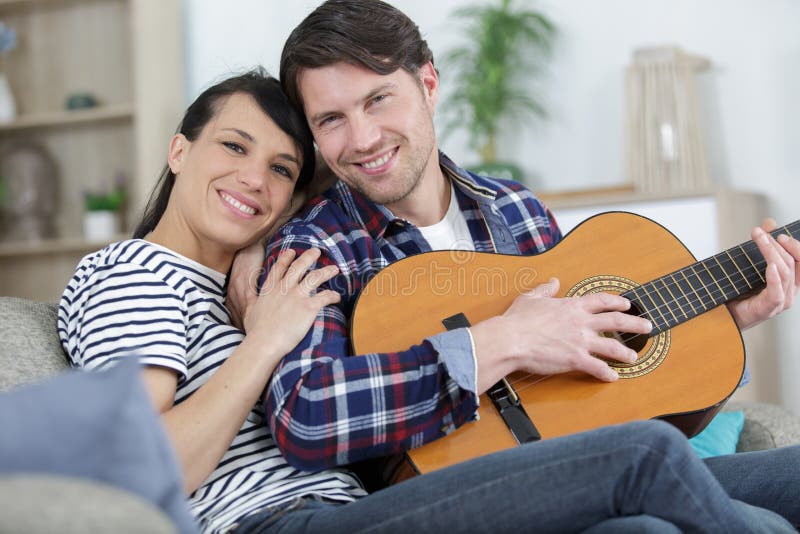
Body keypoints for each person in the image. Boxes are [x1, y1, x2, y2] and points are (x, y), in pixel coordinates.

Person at [226, 1, 800, 532]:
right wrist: (501, 342)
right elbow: (308, 416)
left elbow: (600, 385)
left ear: (428, 84)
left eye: (378, 99)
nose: (364, 137)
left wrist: (720, 320)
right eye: (331, 119)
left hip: (588, 467)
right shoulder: (318, 247)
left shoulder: (517, 209)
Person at [58, 70, 367, 534]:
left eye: (280, 168)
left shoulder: (240, 286)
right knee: (521, 481)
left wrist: (255, 246)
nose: (254, 178)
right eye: (235, 146)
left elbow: (340, 173)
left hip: (344, 507)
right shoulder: (135, 272)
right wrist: (264, 343)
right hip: (263, 518)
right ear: (179, 152)